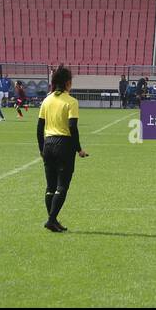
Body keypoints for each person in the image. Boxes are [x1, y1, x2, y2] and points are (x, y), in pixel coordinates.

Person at [37, 64, 88, 232]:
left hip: (48, 144)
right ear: (67, 83)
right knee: (62, 186)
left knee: (50, 186)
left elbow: (39, 127)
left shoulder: (47, 100)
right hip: (64, 145)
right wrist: (79, 149)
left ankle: (53, 220)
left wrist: (41, 149)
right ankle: (51, 219)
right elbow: (72, 127)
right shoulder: (71, 102)